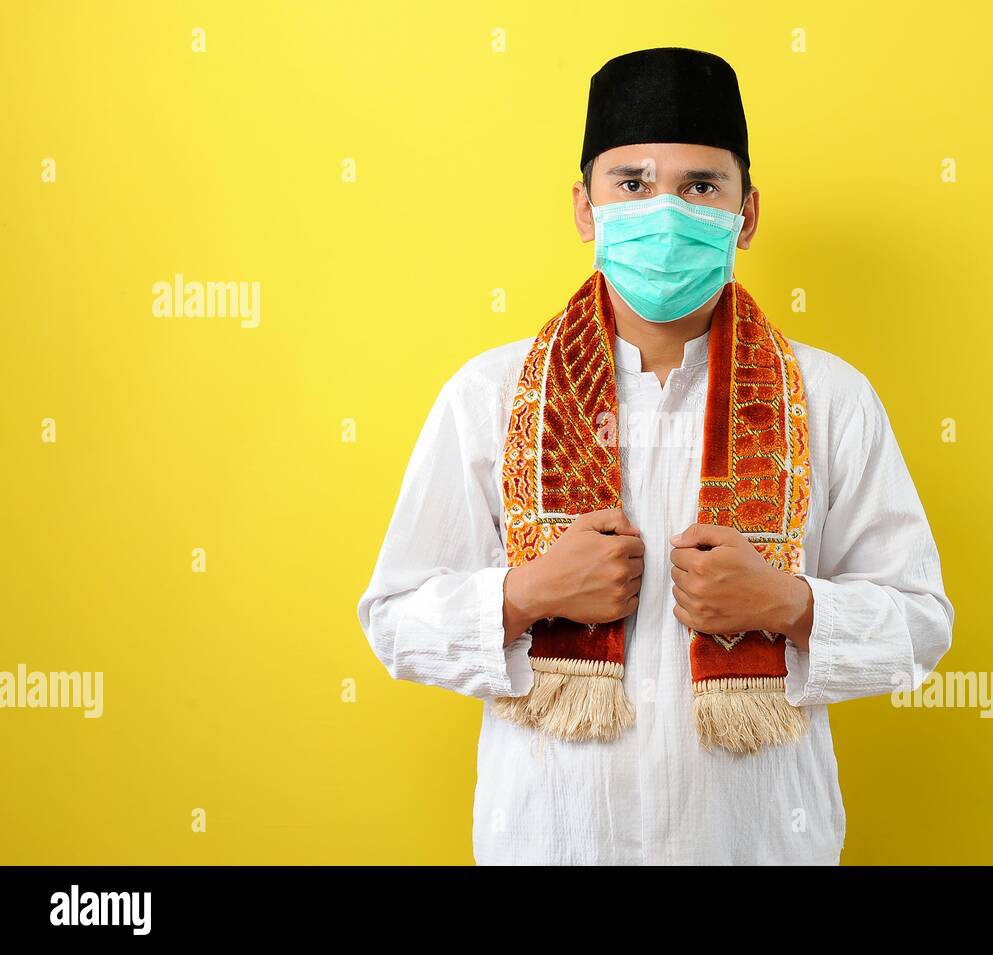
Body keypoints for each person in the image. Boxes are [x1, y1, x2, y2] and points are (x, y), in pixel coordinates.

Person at [357, 46, 954, 865]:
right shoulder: (491, 396)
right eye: (632, 183)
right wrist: (524, 593)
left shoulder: (829, 397)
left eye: (700, 186)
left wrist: (790, 604)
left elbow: (921, 622)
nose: (664, 211)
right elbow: (393, 618)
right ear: (584, 207)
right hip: (554, 843)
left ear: (746, 214)